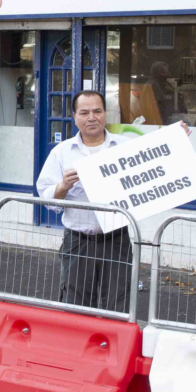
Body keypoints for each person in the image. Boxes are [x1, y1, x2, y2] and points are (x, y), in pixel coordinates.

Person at [35, 90, 136, 311]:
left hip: (117, 241)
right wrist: (62, 187)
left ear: (105, 114)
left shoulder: (125, 146)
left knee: (118, 306)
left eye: (97, 111)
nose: (92, 117)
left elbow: (157, 159)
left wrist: (177, 140)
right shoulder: (62, 152)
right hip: (78, 241)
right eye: (84, 112)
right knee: (75, 306)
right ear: (74, 116)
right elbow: (46, 195)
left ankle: (114, 346)